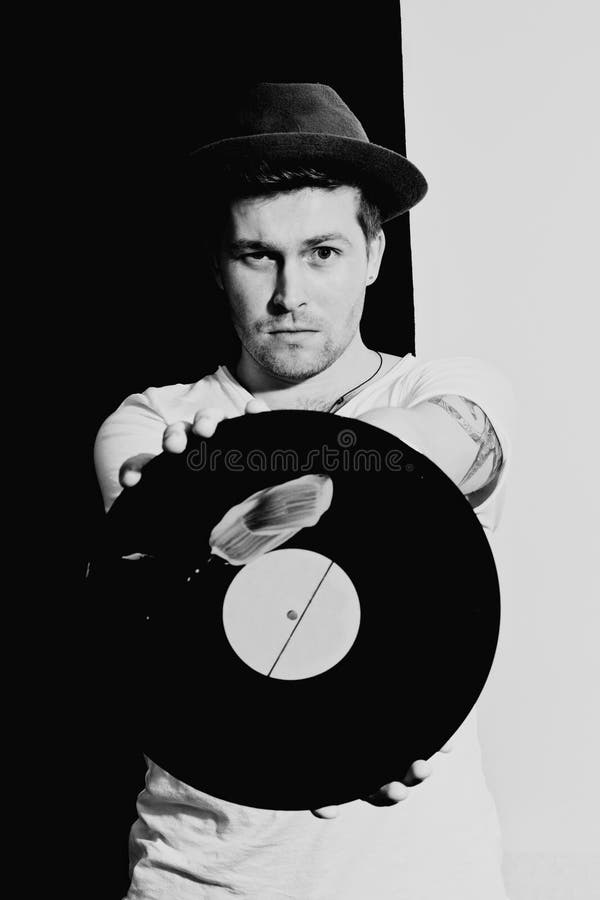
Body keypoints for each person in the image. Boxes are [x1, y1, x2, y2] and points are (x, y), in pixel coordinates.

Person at [94, 83, 515, 899]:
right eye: (259, 255)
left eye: (322, 252)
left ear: (374, 258)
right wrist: (173, 509)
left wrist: (239, 491)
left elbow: (449, 441)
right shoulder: (154, 423)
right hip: (204, 880)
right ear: (217, 264)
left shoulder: (451, 387)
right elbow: (167, 612)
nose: (290, 294)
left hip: (425, 881)